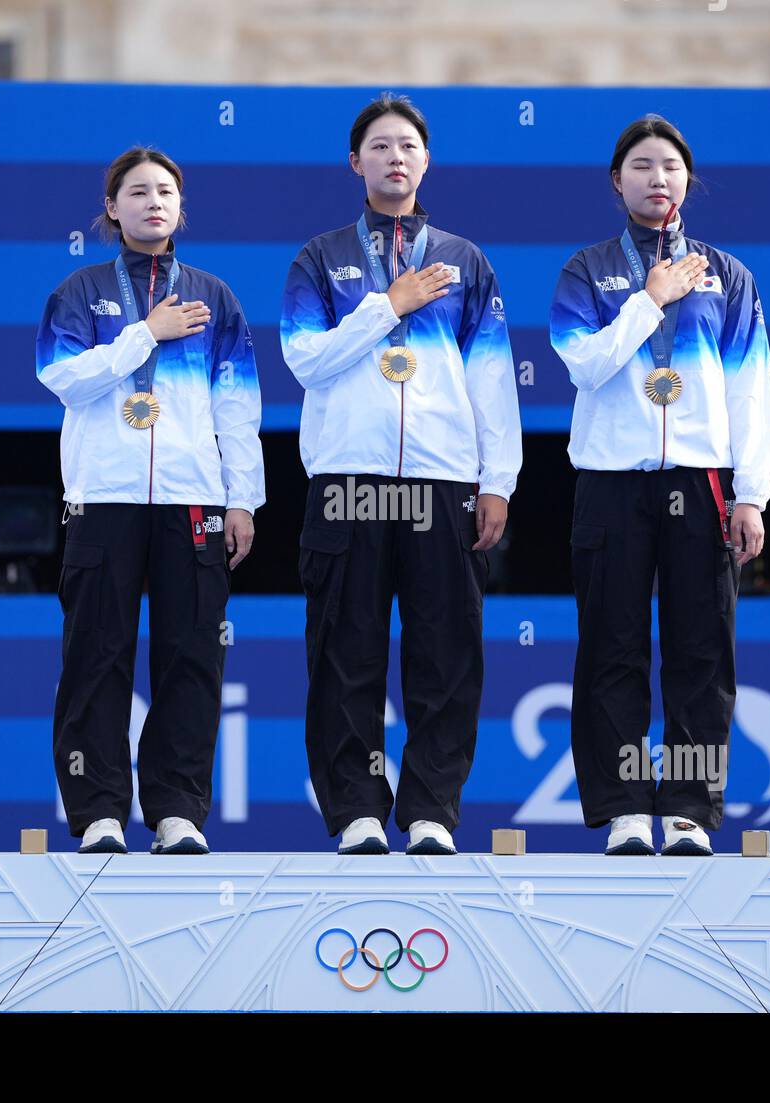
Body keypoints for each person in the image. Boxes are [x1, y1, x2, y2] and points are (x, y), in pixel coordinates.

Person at [280, 92, 522, 856]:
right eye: (380, 146)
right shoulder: (320, 258)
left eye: (408, 146)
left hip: (442, 479)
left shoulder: (465, 260)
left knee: (445, 653)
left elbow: (492, 378)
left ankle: (431, 812)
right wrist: (386, 305)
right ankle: (356, 810)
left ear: (427, 161)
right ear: (356, 161)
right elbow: (305, 359)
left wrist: (497, 479)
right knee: (344, 652)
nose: (395, 157)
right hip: (347, 478)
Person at [549, 114, 770, 857]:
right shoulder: (586, 271)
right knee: (610, 648)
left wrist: (751, 493)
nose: (658, 178)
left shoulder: (729, 276)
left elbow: (752, 392)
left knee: (700, 650)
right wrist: (648, 299)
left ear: (688, 181)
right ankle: (623, 810)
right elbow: (585, 366)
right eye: (642, 166)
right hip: (612, 481)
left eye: (671, 166)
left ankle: (687, 812)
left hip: (700, 480)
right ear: (616, 181)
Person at [35, 146, 264, 856]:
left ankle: (177, 812)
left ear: (180, 207)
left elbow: (238, 408)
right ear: (112, 208)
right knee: (96, 656)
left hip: (192, 499)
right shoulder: (79, 292)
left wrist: (242, 499)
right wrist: (144, 334)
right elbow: (62, 378)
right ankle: (99, 812)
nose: (153, 201)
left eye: (165, 191)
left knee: (191, 658)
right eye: (137, 192)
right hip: (102, 497)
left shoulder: (214, 297)